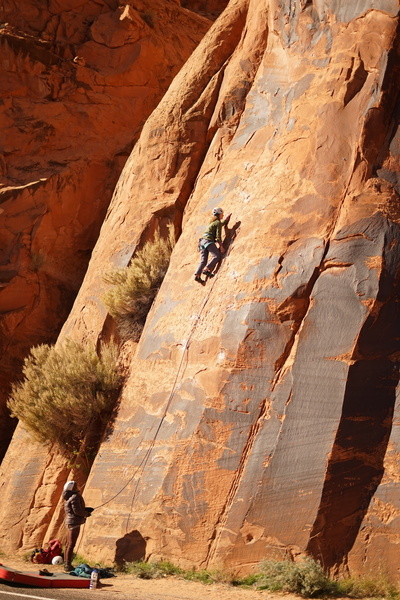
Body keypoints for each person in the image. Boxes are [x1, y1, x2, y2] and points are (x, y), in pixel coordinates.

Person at [62, 480, 93, 572]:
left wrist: (86, 510)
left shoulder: (69, 497)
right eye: (76, 485)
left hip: (70, 522)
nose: (78, 486)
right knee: (71, 544)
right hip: (74, 522)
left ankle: (66, 563)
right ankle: (67, 565)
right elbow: (77, 511)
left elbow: (75, 509)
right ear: (73, 487)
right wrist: (86, 513)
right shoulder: (75, 497)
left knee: (68, 544)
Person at [194, 207, 231, 282]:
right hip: (208, 241)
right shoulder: (217, 222)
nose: (223, 215)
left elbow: (221, 224)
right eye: (222, 214)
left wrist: (226, 220)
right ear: (219, 214)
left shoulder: (212, 222)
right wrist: (221, 247)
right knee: (217, 256)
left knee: (203, 261)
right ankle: (206, 269)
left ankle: (197, 275)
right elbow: (218, 236)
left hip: (202, 242)